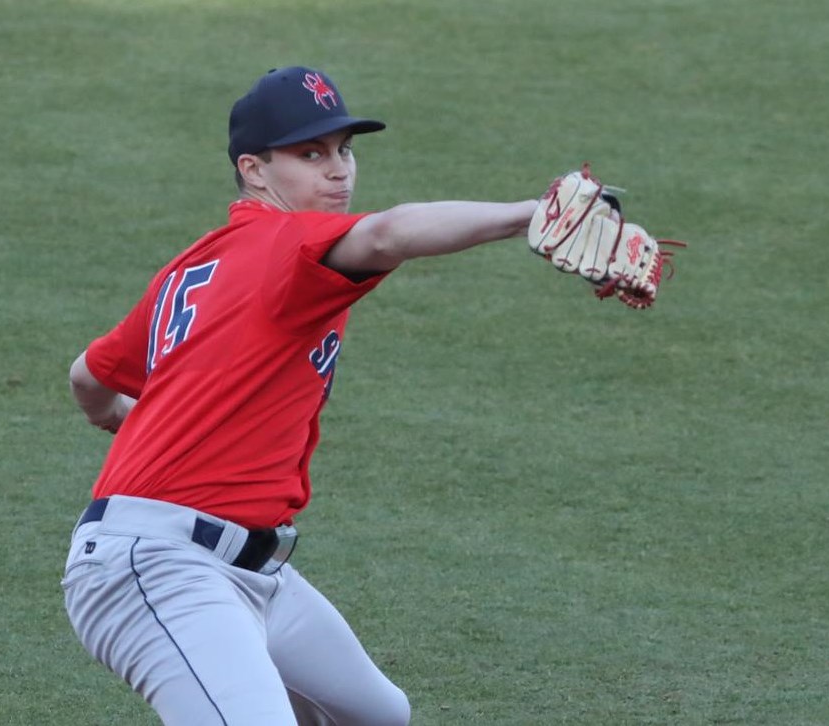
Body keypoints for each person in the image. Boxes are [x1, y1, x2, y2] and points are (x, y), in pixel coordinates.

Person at [62, 66, 541, 726]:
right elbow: (387, 234)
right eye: (310, 155)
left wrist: (123, 418)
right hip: (159, 570)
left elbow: (87, 376)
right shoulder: (288, 245)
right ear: (254, 170)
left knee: (376, 715)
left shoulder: (194, 266)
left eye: (344, 149)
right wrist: (529, 216)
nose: (338, 170)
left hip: (252, 575)